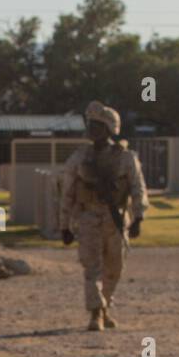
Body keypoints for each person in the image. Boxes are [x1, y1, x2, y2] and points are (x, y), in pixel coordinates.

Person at [59, 100, 148, 331]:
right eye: (90, 124)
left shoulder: (126, 157)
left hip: (116, 219)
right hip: (88, 218)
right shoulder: (79, 158)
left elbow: (138, 187)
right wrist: (64, 225)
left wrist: (139, 217)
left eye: (97, 125)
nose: (91, 129)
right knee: (92, 268)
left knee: (114, 268)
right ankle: (95, 313)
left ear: (110, 128)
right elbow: (67, 191)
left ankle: (105, 305)